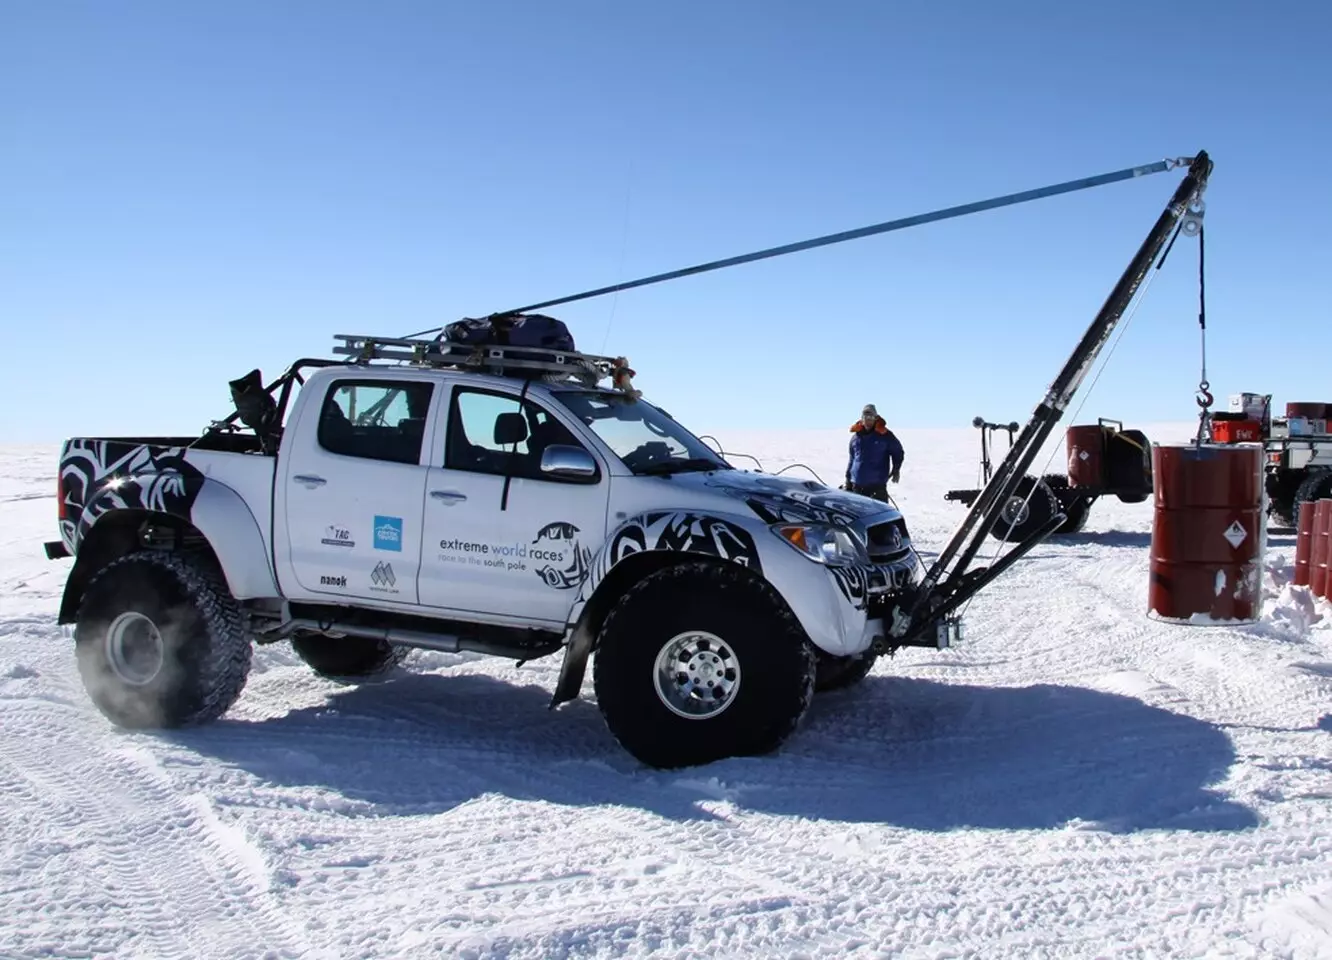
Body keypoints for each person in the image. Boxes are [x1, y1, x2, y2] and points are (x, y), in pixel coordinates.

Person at [844, 403, 904, 501]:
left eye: (871, 416)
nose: (868, 419)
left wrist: (896, 469)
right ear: (861, 418)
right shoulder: (855, 438)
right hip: (857, 487)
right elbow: (852, 460)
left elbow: (898, 452)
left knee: (878, 515)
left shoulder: (885, 436)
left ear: (875, 418)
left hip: (877, 487)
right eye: (865, 416)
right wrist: (848, 480)